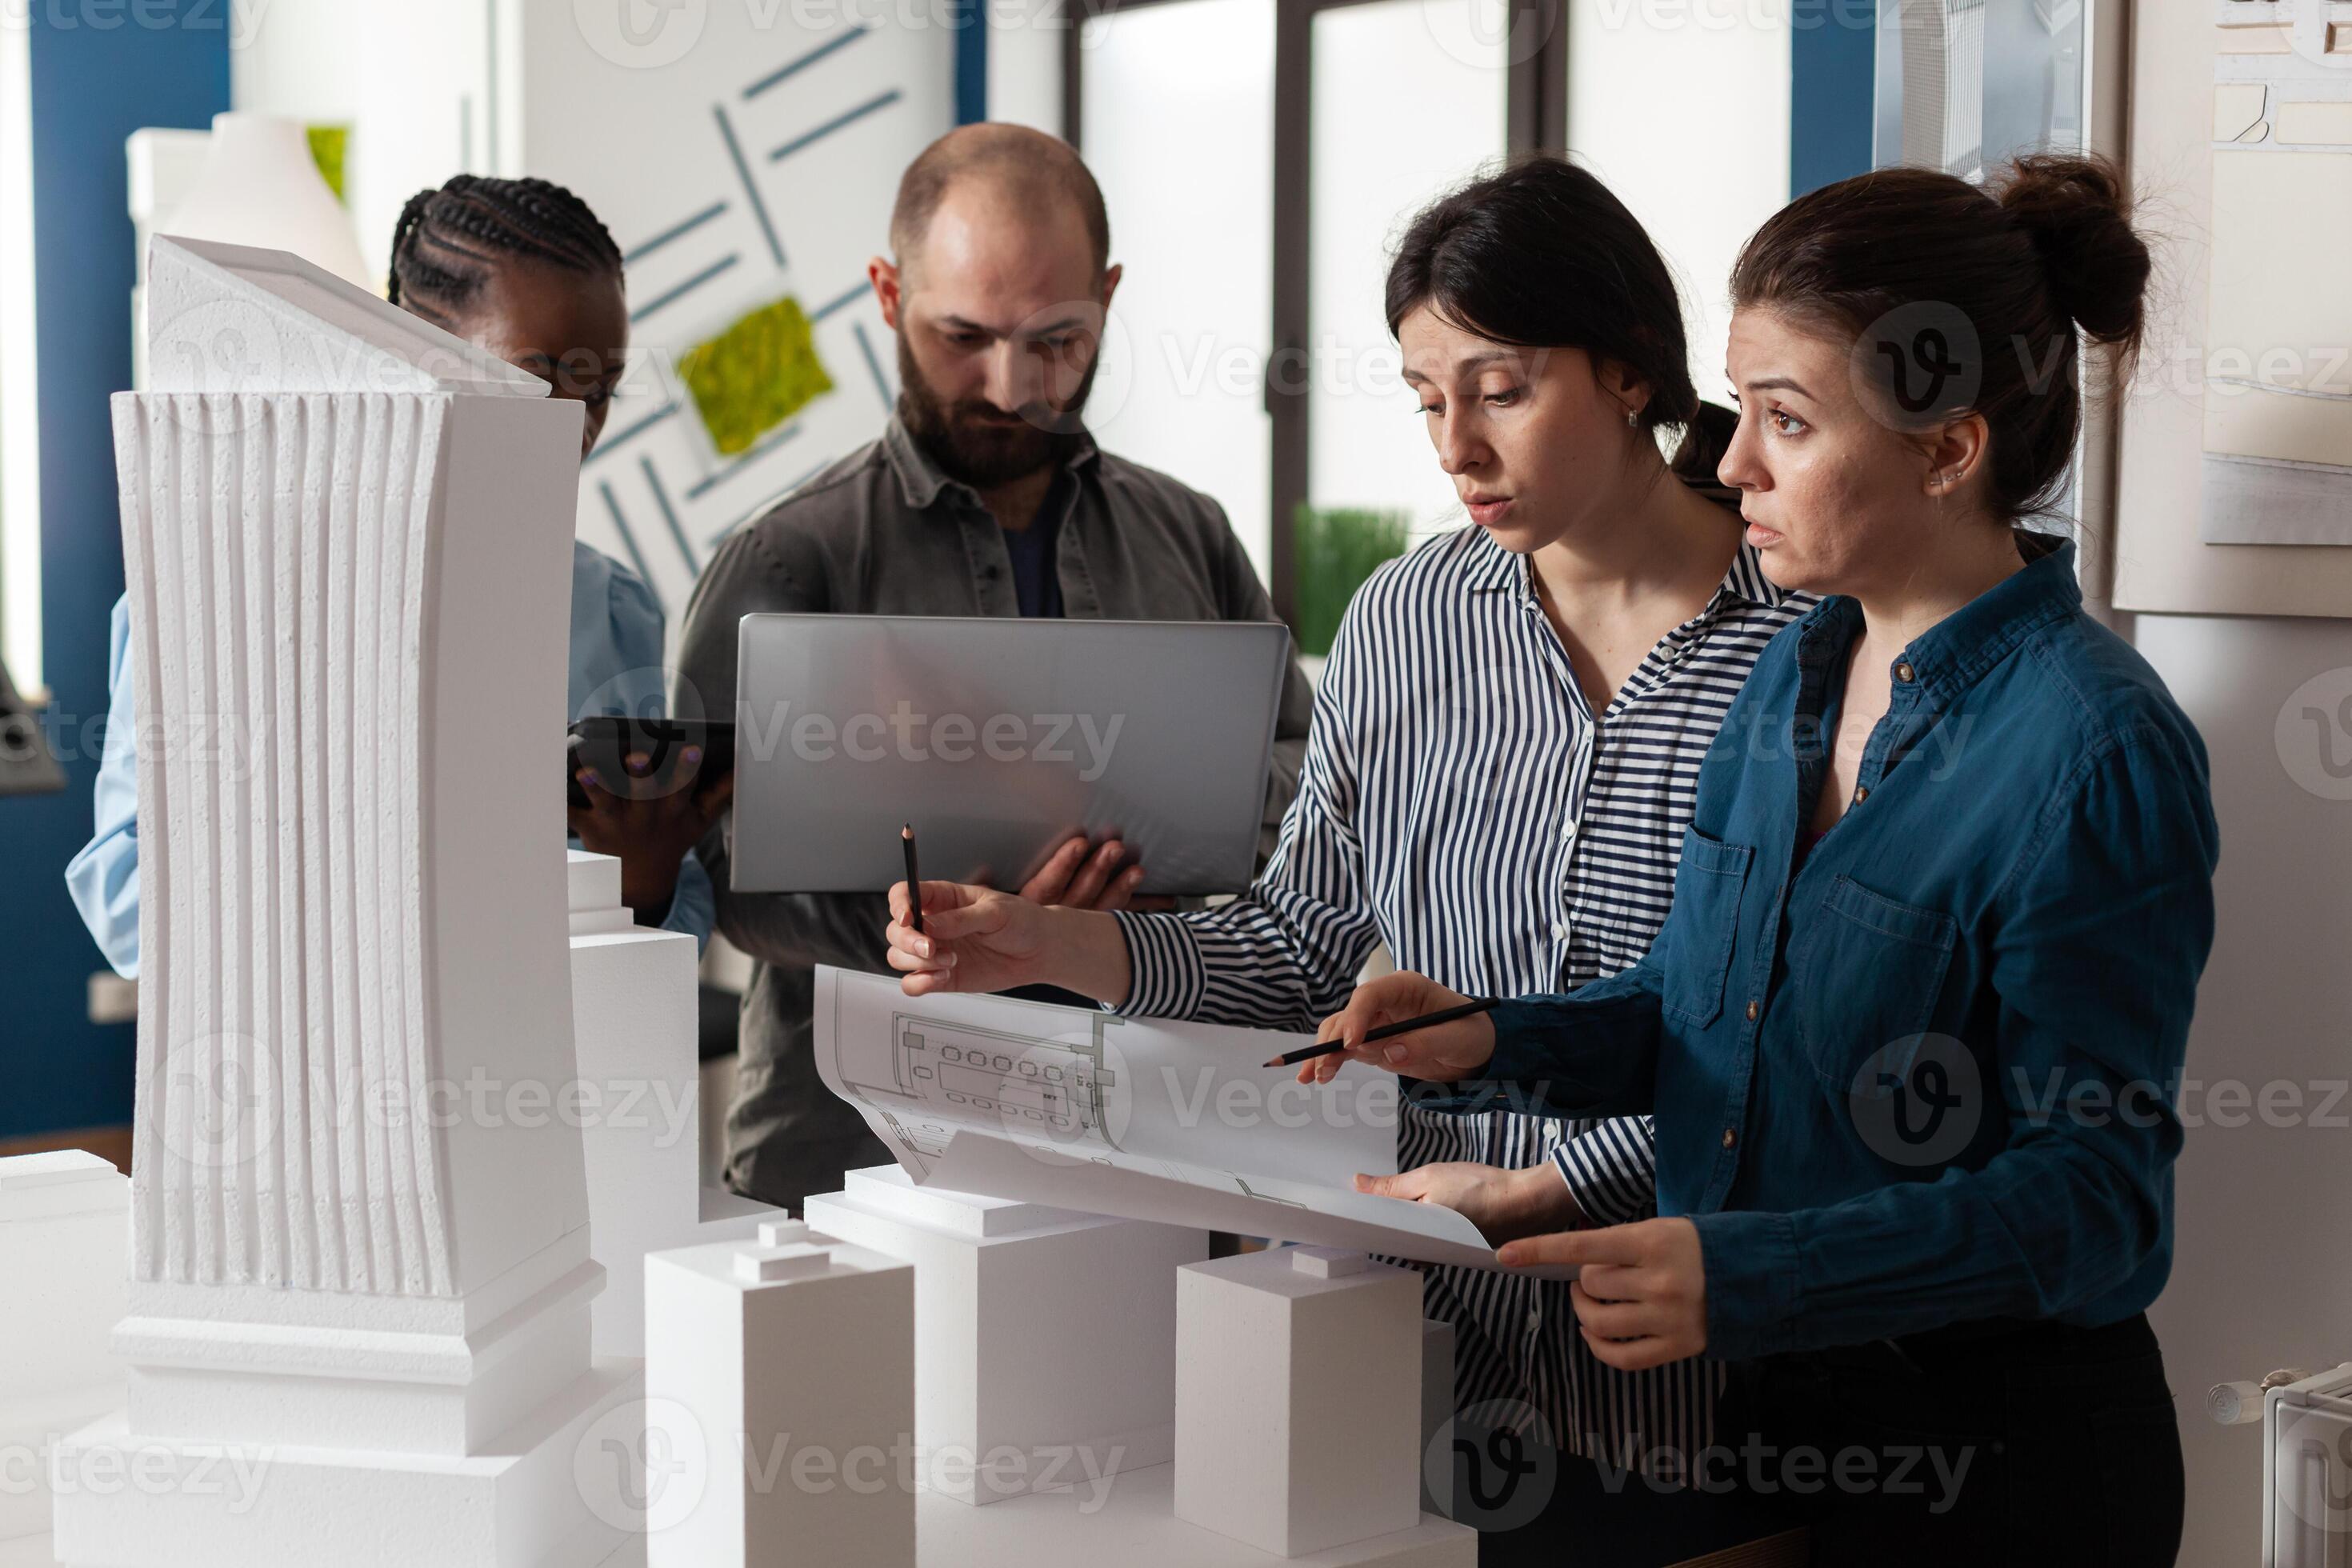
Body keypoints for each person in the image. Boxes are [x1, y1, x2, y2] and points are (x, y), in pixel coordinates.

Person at [882, 156, 1810, 1562]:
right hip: (1409, 1343)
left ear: (1630, 371)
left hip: (1698, 1364)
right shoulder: (1406, 619)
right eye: (1428, 398)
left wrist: (1562, 1191)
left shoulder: (1810, 648)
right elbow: (1303, 943)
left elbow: (1800, 1036)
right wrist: (1043, 944)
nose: (1457, 448)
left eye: (1502, 389)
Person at [1298, 155, 2210, 1563]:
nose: (1729, 462)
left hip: (2010, 1467)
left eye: (1785, 421)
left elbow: (2096, 1206)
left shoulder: (2094, 747)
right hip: (1787, 1427)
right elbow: (1700, 1017)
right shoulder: (1794, 672)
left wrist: (1743, 1268)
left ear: (1947, 446)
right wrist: (1486, 1041)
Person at [675, 123, 1313, 1214]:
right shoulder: (790, 556)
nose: (1014, 385)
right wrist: (986, 924)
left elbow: (1311, 787)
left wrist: (1118, 915)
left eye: (1056, 338)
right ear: (886, 295)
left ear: (1108, 297)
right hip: (848, 1154)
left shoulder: (1191, 533)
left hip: (1144, 1134)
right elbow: (719, 871)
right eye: (963, 336)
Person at [67, 174, 725, 974]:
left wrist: (646, 888)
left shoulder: (609, 606)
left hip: (544, 1075)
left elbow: (678, 924)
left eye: (600, 393)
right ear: (413, 356)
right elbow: (130, 900)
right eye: (538, 377)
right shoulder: (219, 589)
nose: (576, 426)